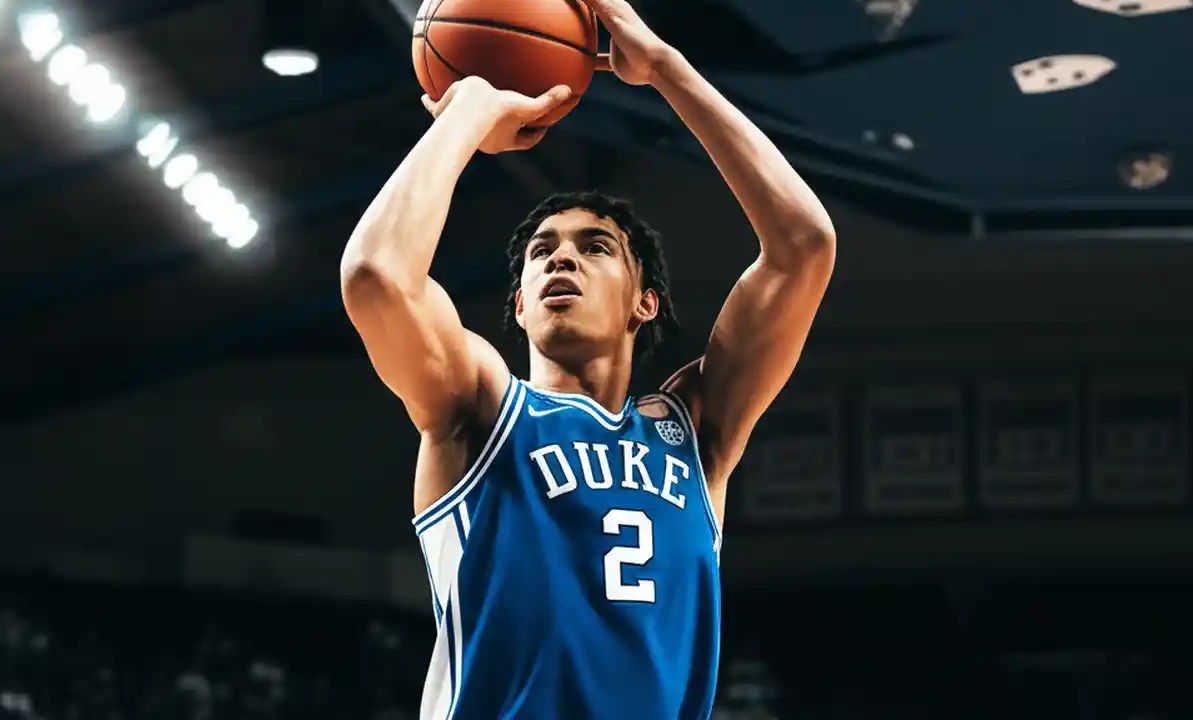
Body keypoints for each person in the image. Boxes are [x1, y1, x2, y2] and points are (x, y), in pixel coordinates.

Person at [339, 1, 835, 716]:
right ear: (518, 306)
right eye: (541, 252)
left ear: (645, 302)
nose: (560, 258)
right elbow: (375, 278)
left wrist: (666, 68)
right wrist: (467, 112)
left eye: (594, 248)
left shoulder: (692, 431)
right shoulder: (480, 409)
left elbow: (805, 247)